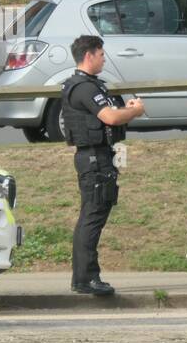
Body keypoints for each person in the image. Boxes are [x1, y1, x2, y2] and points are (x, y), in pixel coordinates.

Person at [60, 34, 146, 296]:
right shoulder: (84, 87)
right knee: (92, 217)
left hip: (97, 158)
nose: (104, 59)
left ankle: (83, 278)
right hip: (94, 159)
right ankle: (87, 278)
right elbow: (109, 117)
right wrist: (136, 110)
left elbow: (109, 111)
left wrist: (127, 108)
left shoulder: (88, 85)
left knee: (91, 216)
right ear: (89, 56)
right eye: (101, 54)